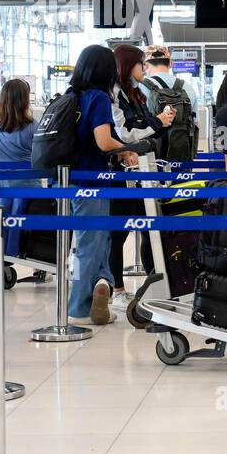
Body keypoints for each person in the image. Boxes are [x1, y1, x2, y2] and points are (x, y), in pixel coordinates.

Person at [67, 45, 140, 325]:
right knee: (91, 243)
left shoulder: (72, 95)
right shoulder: (97, 98)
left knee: (97, 239)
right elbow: (103, 141)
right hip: (92, 179)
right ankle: (79, 308)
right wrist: (125, 150)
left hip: (71, 178)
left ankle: (102, 285)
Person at [107, 44, 172, 310]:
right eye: (139, 64)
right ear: (126, 66)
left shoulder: (136, 93)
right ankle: (118, 289)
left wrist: (158, 122)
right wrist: (157, 121)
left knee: (148, 228)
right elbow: (125, 133)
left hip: (145, 168)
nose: (144, 68)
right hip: (123, 173)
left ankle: (152, 283)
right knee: (118, 233)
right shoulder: (114, 95)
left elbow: (143, 128)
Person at [0, 78, 44, 269]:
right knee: (23, 225)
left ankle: (1, 260)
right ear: (24, 100)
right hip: (27, 186)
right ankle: (30, 260)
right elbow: (39, 158)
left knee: (0, 223)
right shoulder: (32, 126)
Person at [140, 45, 195, 156]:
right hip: (181, 151)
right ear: (170, 64)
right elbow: (195, 122)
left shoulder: (141, 87)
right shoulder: (188, 87)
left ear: (145, 65)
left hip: (151, 154)